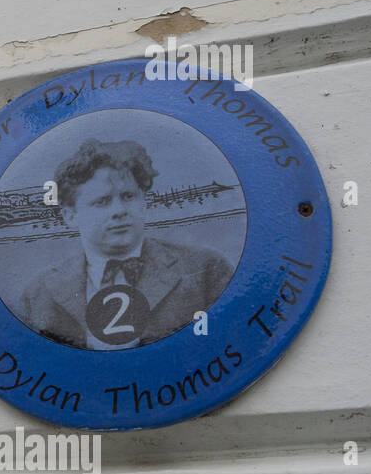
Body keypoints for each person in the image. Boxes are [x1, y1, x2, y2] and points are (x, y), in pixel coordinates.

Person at [18, 139, 232, 349]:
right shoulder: (39, 293)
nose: (119, 211)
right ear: (70, 216)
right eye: (102, 201)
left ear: (144, 202)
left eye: (128, 196)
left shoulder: (206, 271)